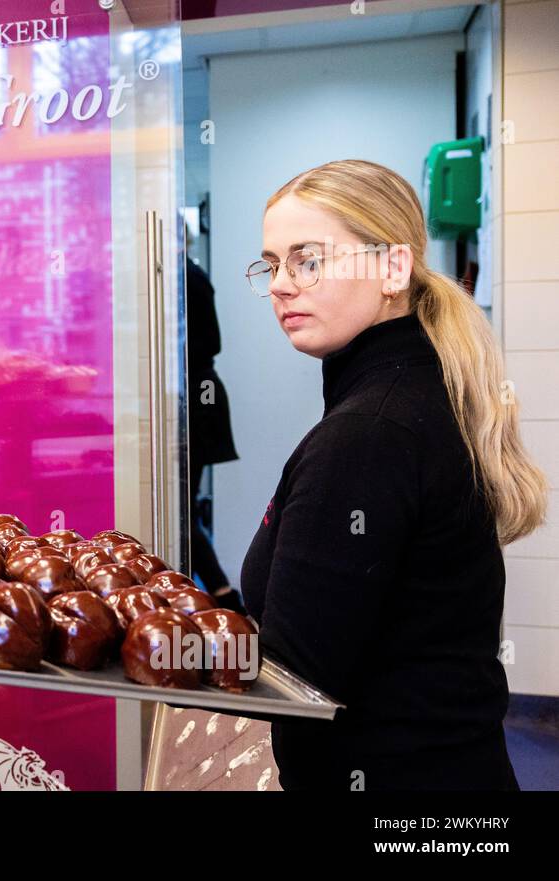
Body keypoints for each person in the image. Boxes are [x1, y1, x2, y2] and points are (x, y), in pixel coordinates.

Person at [240, 159, 548, 791]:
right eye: (272, 264)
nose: (280, 284)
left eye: (308, 259)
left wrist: (141, 650)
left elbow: (297, 678)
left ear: (391, 268)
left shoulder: (368, 434)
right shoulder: (416, 393)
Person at [185, 253, 243, 613]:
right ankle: (221, 596)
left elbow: (207, 342)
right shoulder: (191, 273)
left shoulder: (187, 276)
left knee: (181, 510)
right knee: (184, 508)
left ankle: (223, 598)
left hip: (198, 399)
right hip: (198, 395)